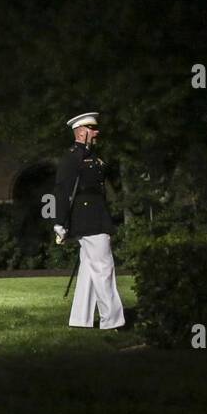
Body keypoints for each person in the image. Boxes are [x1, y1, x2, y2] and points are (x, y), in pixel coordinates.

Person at [56, 112, 124, 329]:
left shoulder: (93, 157)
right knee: (104, 268)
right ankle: (111, 320)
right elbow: (62, 190)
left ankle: (80, 319)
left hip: (94, 216)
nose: (97, 132)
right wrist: (59, 222)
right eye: (92, 129)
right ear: (82, 132)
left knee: (88, 269)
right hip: (88, 218)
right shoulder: (71, 157)